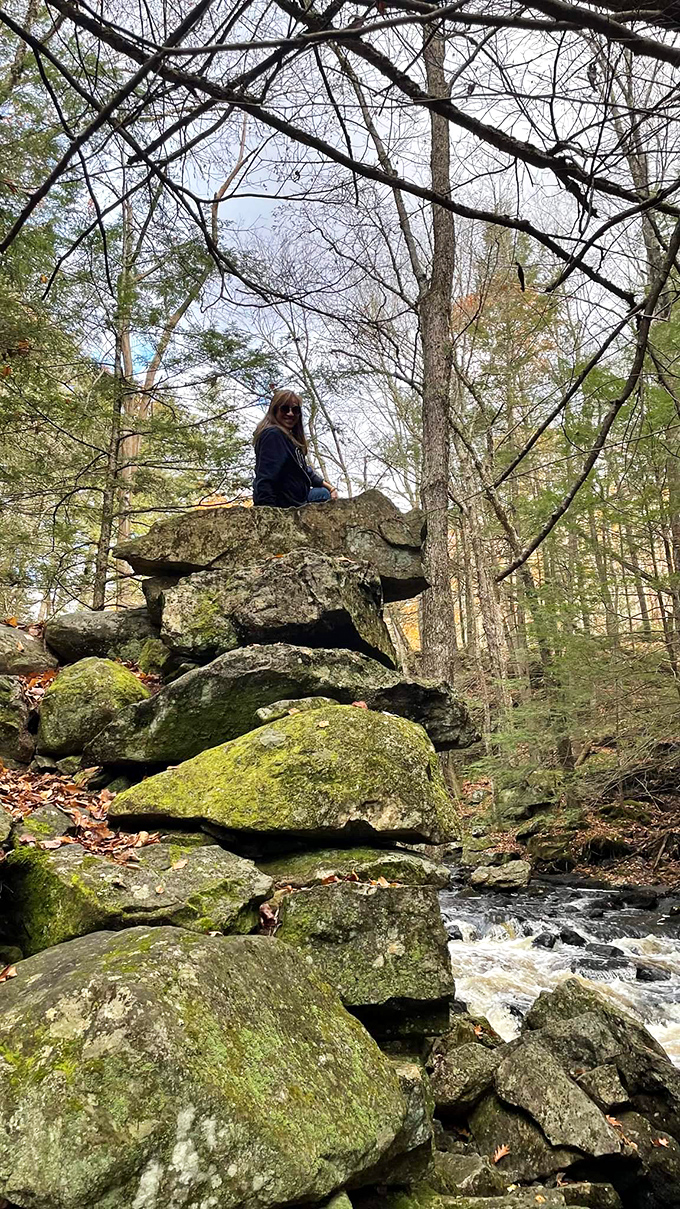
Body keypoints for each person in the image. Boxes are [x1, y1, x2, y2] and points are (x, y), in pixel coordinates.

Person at [252, 390, 338, 508]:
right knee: (323, 495)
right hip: (285, 504)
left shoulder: (289, 440)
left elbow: (305, 471)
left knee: (323, 493)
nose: (290, 413)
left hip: (299, 498)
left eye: (295, 410)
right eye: (285, 409)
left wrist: (331, 488)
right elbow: (266, 477)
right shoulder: (273, 435)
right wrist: (268, 512)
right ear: (275, 410)